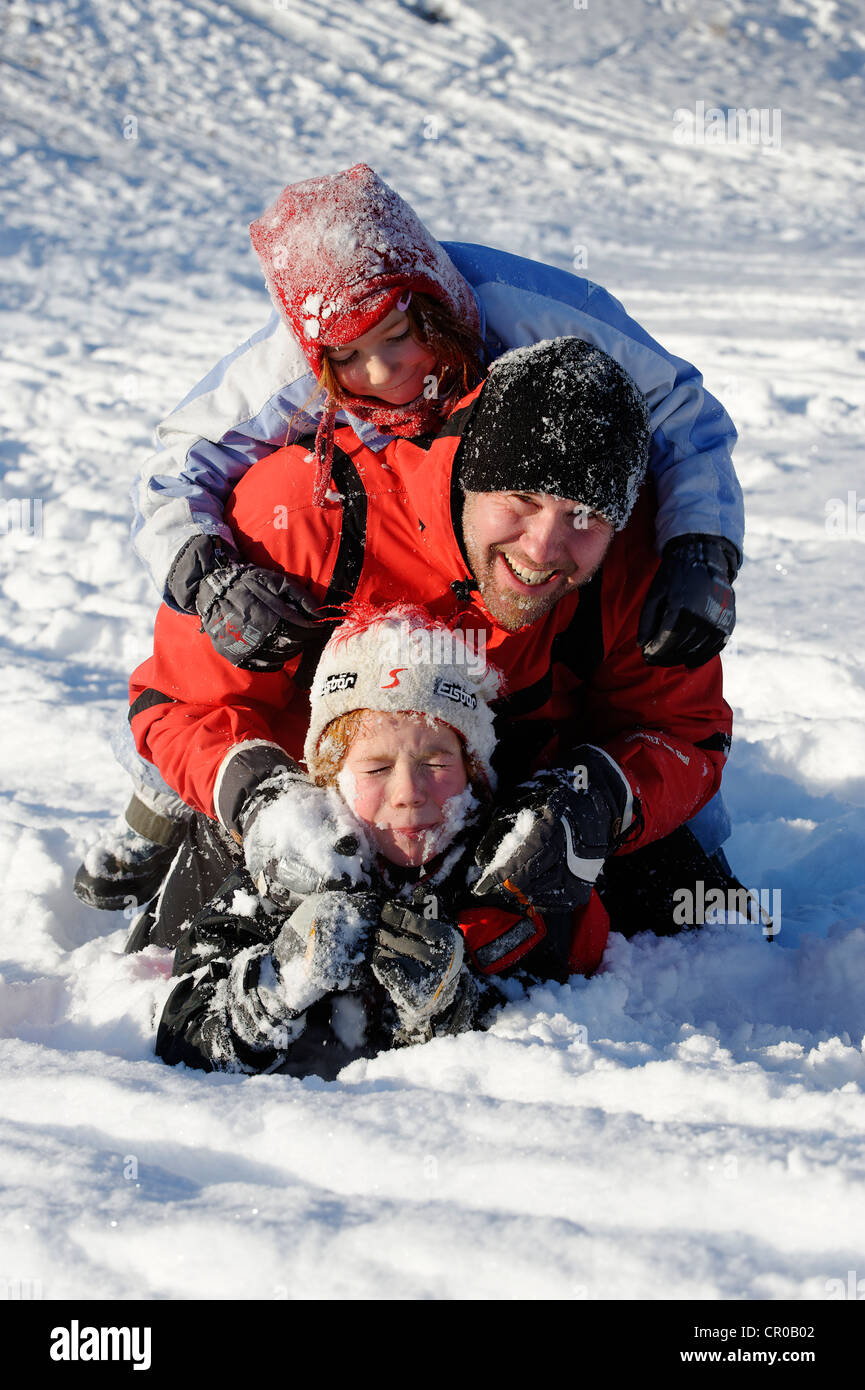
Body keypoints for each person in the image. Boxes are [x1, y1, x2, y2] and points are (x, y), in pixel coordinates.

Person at [74, 164, 742, 913]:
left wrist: (699, 548)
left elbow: (685, 414)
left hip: (513, 548)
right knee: (226, 660)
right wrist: (210, 578)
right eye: (348, 357)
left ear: (437, 302)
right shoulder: (295, 418)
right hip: (365, 569)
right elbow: (177, 467)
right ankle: (161, 801)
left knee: (677, 831)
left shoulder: (541, 320)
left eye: (398, 334)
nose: (383, 371)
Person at [128, 338, 737, 995]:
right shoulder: (300, 513)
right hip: (318, 788)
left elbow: (684, 732)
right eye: (521, 499)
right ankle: (151, 840)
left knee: (708, 925)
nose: (543, 548)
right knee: (187, 969)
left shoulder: (639, 558)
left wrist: (596, 801)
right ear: (471, 473)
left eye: (584, 515)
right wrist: (260, 796)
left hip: (534, 781)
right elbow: (179, 706)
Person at [154, 606, 611, 1077]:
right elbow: (182, 1033)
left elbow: (556, 1014)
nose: (408, 794)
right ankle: (157, 818)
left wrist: (451, 1007)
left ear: (475, 772)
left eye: (436, 764)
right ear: (331, 779)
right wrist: (274, 987)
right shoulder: (287, 868)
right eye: (375, 769)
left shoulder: (506, 874)